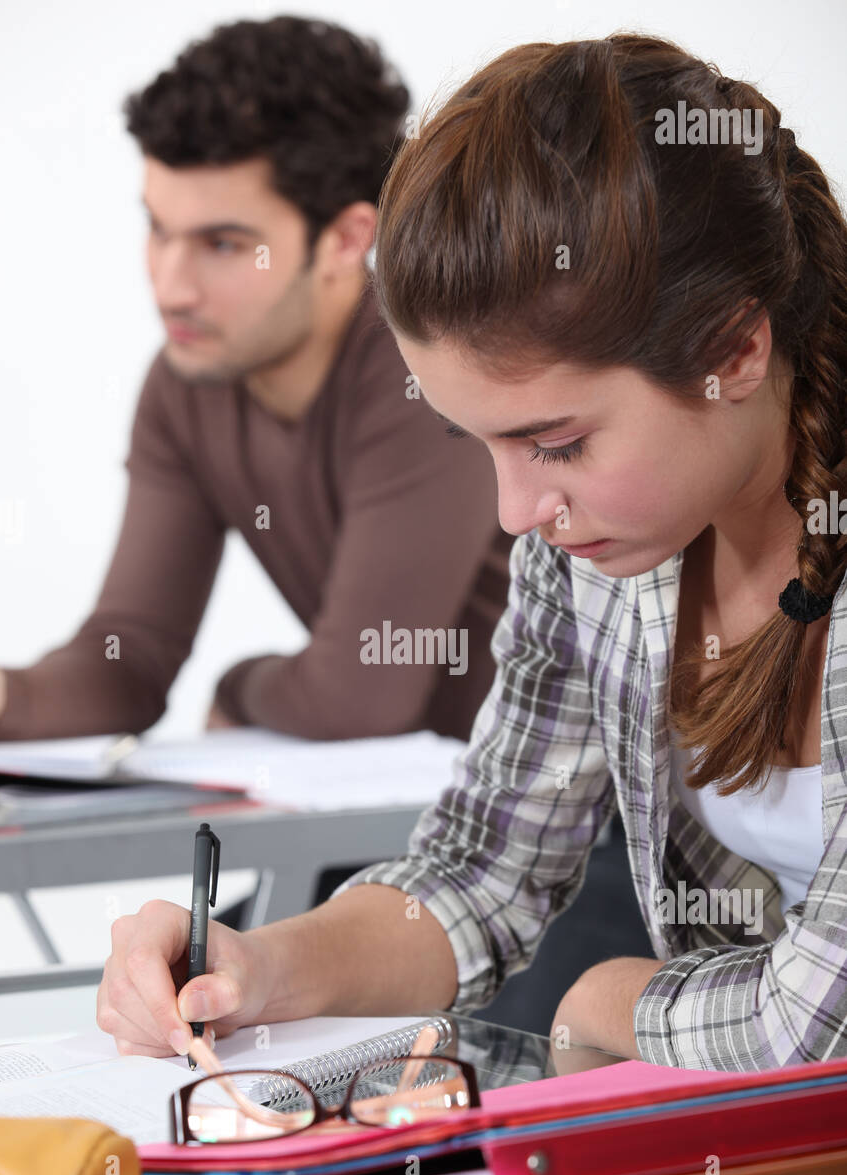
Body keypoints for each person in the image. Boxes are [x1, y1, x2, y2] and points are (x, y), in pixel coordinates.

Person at [97, 34, 847, 1072]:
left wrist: (611, 999)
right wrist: (255, 966)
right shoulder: (599, 548)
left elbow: (816, 1017)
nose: (513, 510)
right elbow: (482, 869)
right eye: (480, 442)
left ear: (732, 349)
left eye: (556, 442)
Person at [0, 15, 511, 746]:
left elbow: (355, 699)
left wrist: (237, 683)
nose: (171, 288)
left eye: (223, 244)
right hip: (403, 818)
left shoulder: (425, 371)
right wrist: (0, 696)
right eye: (158, 229)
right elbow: (129, 656)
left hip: (611, 822)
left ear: (347, 240)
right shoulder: (186, 384)